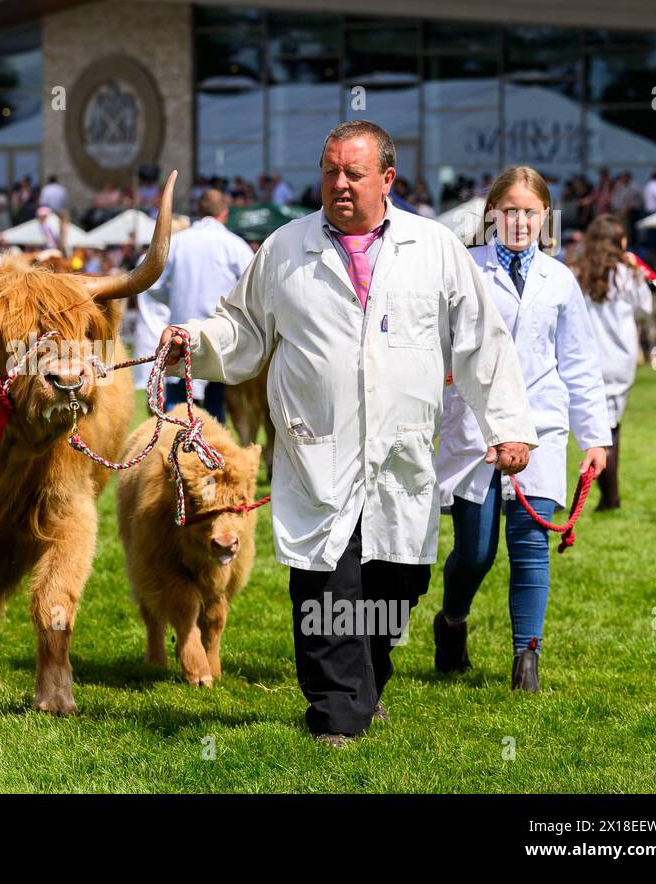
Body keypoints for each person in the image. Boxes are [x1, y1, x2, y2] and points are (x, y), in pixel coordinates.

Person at [159, 121, 536, 744]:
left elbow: (481, 343)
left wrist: (509, 426)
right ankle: (336, 713)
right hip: (317, 453)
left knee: (395, 585)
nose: (338, 184)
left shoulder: (434, 247)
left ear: (387, 179)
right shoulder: (285, 249)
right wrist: (194, 343)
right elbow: (242, 332)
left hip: (402, 455)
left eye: (353, 173)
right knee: (329, 580)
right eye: (330, 170)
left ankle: (365, 683)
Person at [435, 166, 610, 694]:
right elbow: (441, 347)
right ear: (492, 215)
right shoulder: (466, 268)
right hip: (476, 427)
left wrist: (596, 436)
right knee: (477, 551)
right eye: (509, 210)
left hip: (541, 427)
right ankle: (452, 621)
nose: (519, 220)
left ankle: (525, 659)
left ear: (545, 218)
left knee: (530, 545)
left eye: (529, 211)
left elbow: (578, 362)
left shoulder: (560, 280)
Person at [145, 188, 253, 423]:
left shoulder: (177, 243)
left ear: (197, 211)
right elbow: (253, 290)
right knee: (215, 412)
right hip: (219, 339)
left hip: (180, 336)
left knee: (176, 415)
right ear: (224, 213)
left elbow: (153, 285)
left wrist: (174, 299)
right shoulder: (235, 245)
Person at [568, 214, 651, 511]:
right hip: (620, 359)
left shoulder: (576, 271)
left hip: (586, 358)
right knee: (611, 429)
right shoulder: (629, 273)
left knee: (597, 427)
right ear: (620, 242)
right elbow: (646, 309)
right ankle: (610, 498)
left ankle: (607, 497)